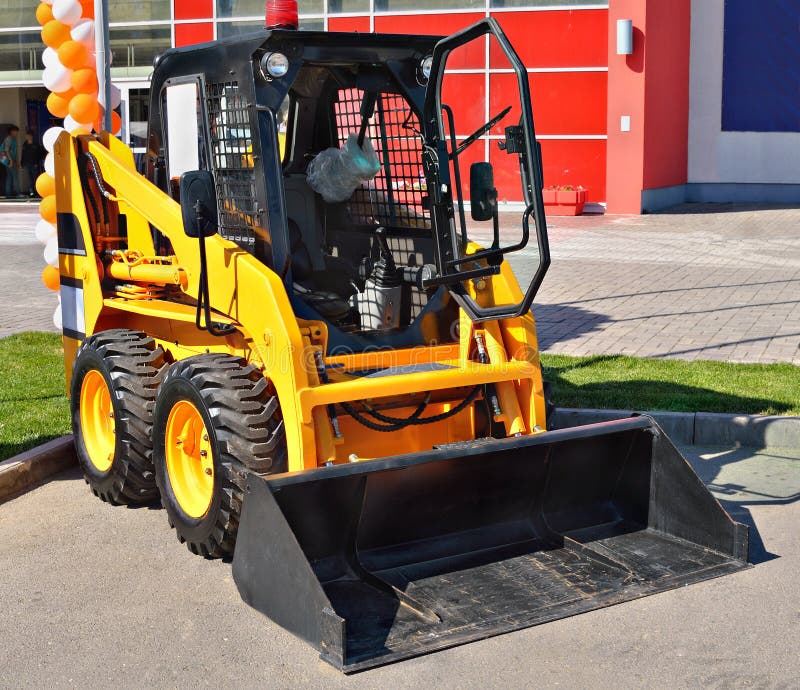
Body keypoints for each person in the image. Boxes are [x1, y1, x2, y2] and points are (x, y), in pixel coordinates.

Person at [21, 130, 44, 198]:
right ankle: (31, 192)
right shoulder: (25, 144)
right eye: (27, 135)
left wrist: (37, 162)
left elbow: (40, 153)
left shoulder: (36, 144)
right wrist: (22, 163)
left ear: (32, 136)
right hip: (27, 164)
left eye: (29, 135)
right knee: (30, 179)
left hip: (34, 164)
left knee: (35, 178)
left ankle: (37, 192)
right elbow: (23, 154)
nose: (28, 137)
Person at [2, 125, 20, 198]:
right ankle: (17, 193)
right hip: (9, 161)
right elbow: (7, 151)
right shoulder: (9, 139)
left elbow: (14, 152)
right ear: (12, 131)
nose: (17, 133)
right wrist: (11, 161)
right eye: (16, 131)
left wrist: (17, 161)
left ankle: (8, 193)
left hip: (9, 161)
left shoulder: (13, 139)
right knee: (14, 176)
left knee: (9, 177)